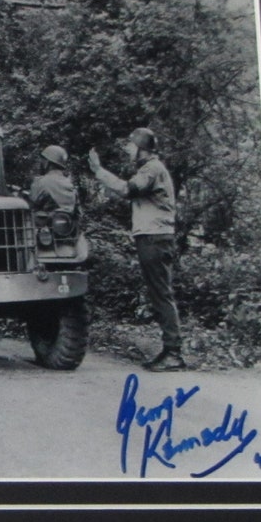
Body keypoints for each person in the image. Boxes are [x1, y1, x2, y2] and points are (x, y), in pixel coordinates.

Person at [88, 128, 188, 372]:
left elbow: (128, 190)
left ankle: (173, 352)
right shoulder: (151, 169)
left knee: (161, 293)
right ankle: (170, 350)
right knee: (159, 293)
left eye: (131, 146)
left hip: (154, 237)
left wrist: (99, 171)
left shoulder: (151, 169)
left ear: (142, 148)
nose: (128, 150)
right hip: (153, 237)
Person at [27, 144, 78, 212]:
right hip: (68, 218)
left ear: (47, 162)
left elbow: (31, 206)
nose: (41, 163)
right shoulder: (70, 184)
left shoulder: (41, 182)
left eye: (43, 160)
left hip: (48, 218)